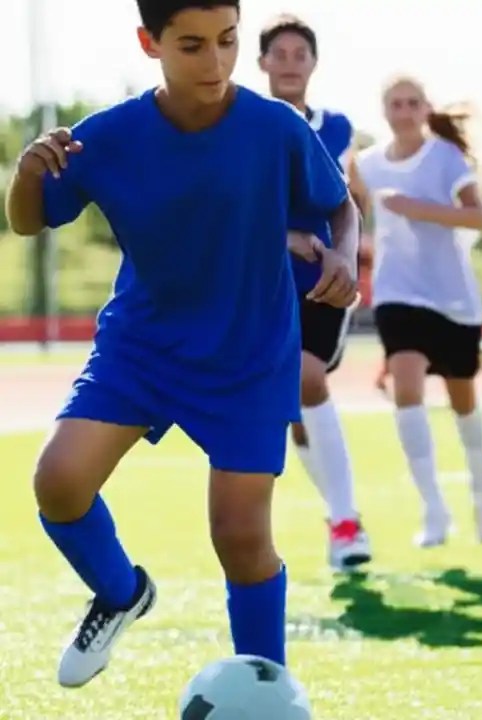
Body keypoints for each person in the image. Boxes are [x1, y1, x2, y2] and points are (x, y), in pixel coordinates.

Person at [7, 0, 357, 686]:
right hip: (142, 347)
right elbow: (29, 222)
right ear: (150, 43)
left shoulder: (274, 127)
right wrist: (25, 174)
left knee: (240, 537)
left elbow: (340, 202)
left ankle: (267, 692)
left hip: (250, 355)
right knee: (58, 482)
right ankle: (119, 594)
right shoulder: (106, 137)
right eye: (192, 45)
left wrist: (344, 254)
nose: (216, 61)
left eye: (227, 41)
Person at [349, 75, 482, 547]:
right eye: (396, 103)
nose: (405, 111)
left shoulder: (445, 157)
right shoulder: (367, 165)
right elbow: (348, 219)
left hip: (452, 297)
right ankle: (434, 508)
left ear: (425, 108)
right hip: (398, 295)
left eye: (413, 103)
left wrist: (418, 208)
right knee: (407, 389)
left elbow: (477, 217)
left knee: (463, 401)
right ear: (384, 110)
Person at [258, 13, 370, 572]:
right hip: (263, 283)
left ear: (313, 64)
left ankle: (347, 520)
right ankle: (340, 517)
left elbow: (348, 200)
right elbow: (233, 211)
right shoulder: (244, 127)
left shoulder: (339, 129)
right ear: (261, 64)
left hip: (324, 280)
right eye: (279, 53)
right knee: (295, 412)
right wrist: (283, 238)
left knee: (307, 378)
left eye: (300, 53)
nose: (289, 62)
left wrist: (351, 255)